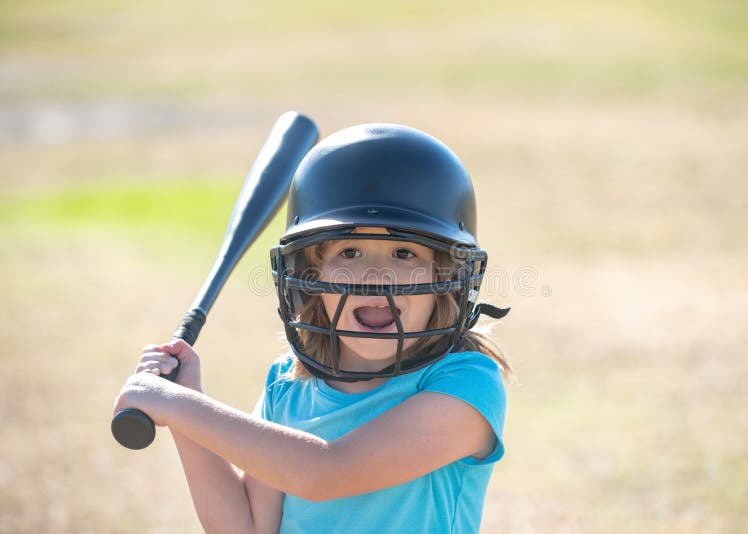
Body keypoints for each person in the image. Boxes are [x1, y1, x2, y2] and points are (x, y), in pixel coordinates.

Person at [114, 123, 512, 533]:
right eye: (349, 251)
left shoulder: (465, 384)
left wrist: (177, 405)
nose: (375, 277)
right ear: (310, 272)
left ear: (448, 275)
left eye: (403, 252)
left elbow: (326, 472)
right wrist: (184, 403)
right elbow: (246, 529)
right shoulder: (288, 385)